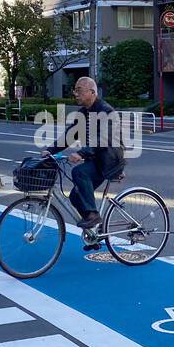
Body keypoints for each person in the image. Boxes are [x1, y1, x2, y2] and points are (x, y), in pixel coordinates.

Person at [45, 76, 125, 251]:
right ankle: (93, 231)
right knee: (75, 196)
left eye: (79, 89)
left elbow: (102, 139)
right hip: (95, 159)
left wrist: (81, 153)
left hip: (109, 161)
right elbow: (69, 135)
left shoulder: (106, 111)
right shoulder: (82, 113)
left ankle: (93, 215)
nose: (76, 93)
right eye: (75, 90)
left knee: (79, 172)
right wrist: (50, 151)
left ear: (92, 92)